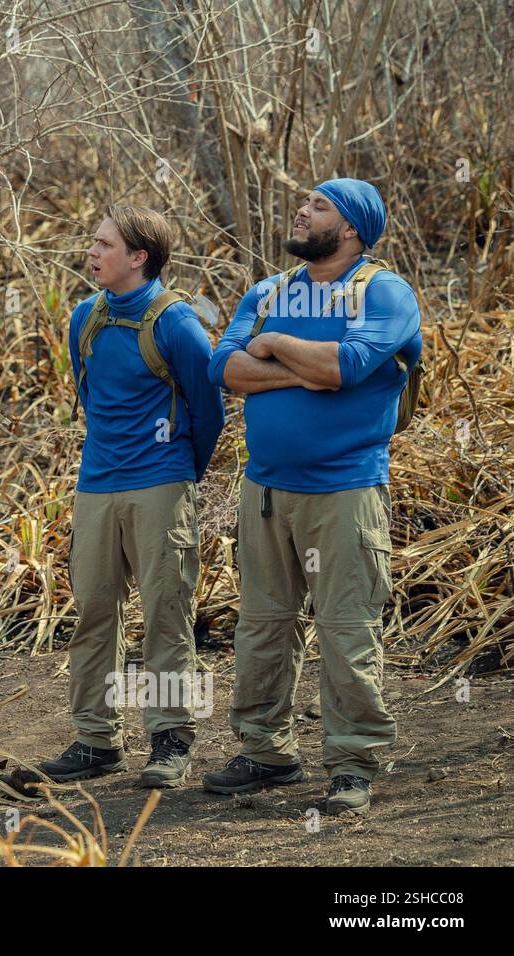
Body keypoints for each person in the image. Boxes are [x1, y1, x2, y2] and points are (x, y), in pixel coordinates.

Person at [204, 178, 422, 814]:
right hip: (267, 491)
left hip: (345, 491)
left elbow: (342, 369)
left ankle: (353, 761)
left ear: (351, 227)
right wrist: (294, 360)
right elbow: (225, 369)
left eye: (318, 205)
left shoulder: (383, 291)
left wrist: (271, 346)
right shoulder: (270, 292)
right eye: (303, 203)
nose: (301, 210)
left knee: (345, 629)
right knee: (262, 627)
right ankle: (264, 751)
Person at [30, 205, 224, 788]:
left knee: (166, 613)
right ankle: (96, 739)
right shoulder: (85, 317)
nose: (91, 251)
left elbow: (208, 408)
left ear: (138, 257)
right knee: (93, 612)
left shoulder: (178, 323)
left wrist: (176, 471)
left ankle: (170, 738)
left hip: (161, 483)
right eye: (93, 241)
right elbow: (89, 397)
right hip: (97, 485)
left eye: (104, 244)